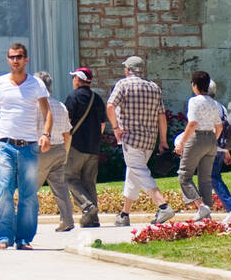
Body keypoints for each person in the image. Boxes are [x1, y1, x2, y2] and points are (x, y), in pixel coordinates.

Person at [0, 44, 52, 250]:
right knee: (4, 191)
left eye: (19, 57)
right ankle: (5, 237)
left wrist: (46, 135)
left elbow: (47, 112)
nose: (15, 60)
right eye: (12, 57)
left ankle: (23, 239)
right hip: (5, 144)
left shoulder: (36, 84)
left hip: (29, 146)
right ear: (7, 59)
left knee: (28, 195)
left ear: (26, 59)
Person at [105, 55, 175, 227]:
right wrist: (163, 140)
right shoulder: (154, 87)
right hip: (149, 141)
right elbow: (161, 117)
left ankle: (163, 206)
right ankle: (124, 214)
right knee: (133, 173)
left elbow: (110, 106)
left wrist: (115, 128)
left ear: (128, 70)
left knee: (139, 172)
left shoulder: (123, 84)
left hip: (130, 138)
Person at [174, 70, 223, 221]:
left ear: (194, 85)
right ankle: (207, 216)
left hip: (197, 138)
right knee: (205, 179)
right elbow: (219, 126)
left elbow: (193, 123)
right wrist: (212, 139)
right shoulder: (214, 103)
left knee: (184, 175)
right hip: (211, 139)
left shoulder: (194, 101)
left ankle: (201, 207)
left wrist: (182, 143)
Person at [63, 67, 107, 227]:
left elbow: (66, 122)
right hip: (93, 147)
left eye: (74, 77)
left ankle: (87, 207)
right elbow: (102, 124)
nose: (73, 80)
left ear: (78, 80)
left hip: (76, 146)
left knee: (68, 177)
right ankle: (93, 220)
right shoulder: (97, 98)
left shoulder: (73, 97)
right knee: (89, 183)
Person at [33, 71, 75, 232]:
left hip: (40, 150)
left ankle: (22, 222)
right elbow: (67, 134)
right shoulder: (60, 105)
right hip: (59, 149)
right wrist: (65, 153)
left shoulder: (35, 106)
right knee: (60, 188)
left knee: (29, 188)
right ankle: (67, 220)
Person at [208, 80, 231, 221]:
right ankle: (205, 210)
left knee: (212, 178)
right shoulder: (221, 107)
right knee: (211, 178)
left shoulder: (206, 106)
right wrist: (226, 151)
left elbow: (212, 128)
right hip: (221, 147)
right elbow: (226, 130)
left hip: (211, 146)